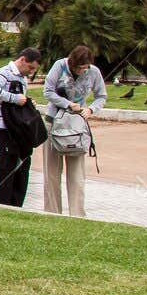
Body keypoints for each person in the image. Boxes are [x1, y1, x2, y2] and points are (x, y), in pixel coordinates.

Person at [42, 43, 107, 217]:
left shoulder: (94, 72)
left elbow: (101, 96)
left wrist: (91, 109)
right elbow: (47, 92)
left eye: (85, 68)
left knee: (77, 175)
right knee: (52, 173)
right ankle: (52, 213)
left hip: (77, 127)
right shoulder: (59, 66)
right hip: (54, 123)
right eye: (79, 68)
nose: (82, 71)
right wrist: (68, 104)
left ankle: (77, 215)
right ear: (71, 63)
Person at [0, 46, 43, 207]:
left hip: (19, 130)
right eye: (30, 67)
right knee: (6, 166)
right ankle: (3, 204)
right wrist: (14, 98)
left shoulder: (22, 78)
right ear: (23, 60)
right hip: (4, 129)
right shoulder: (5, 72)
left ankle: (16, 204)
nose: (30, 72)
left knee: (21, 167)